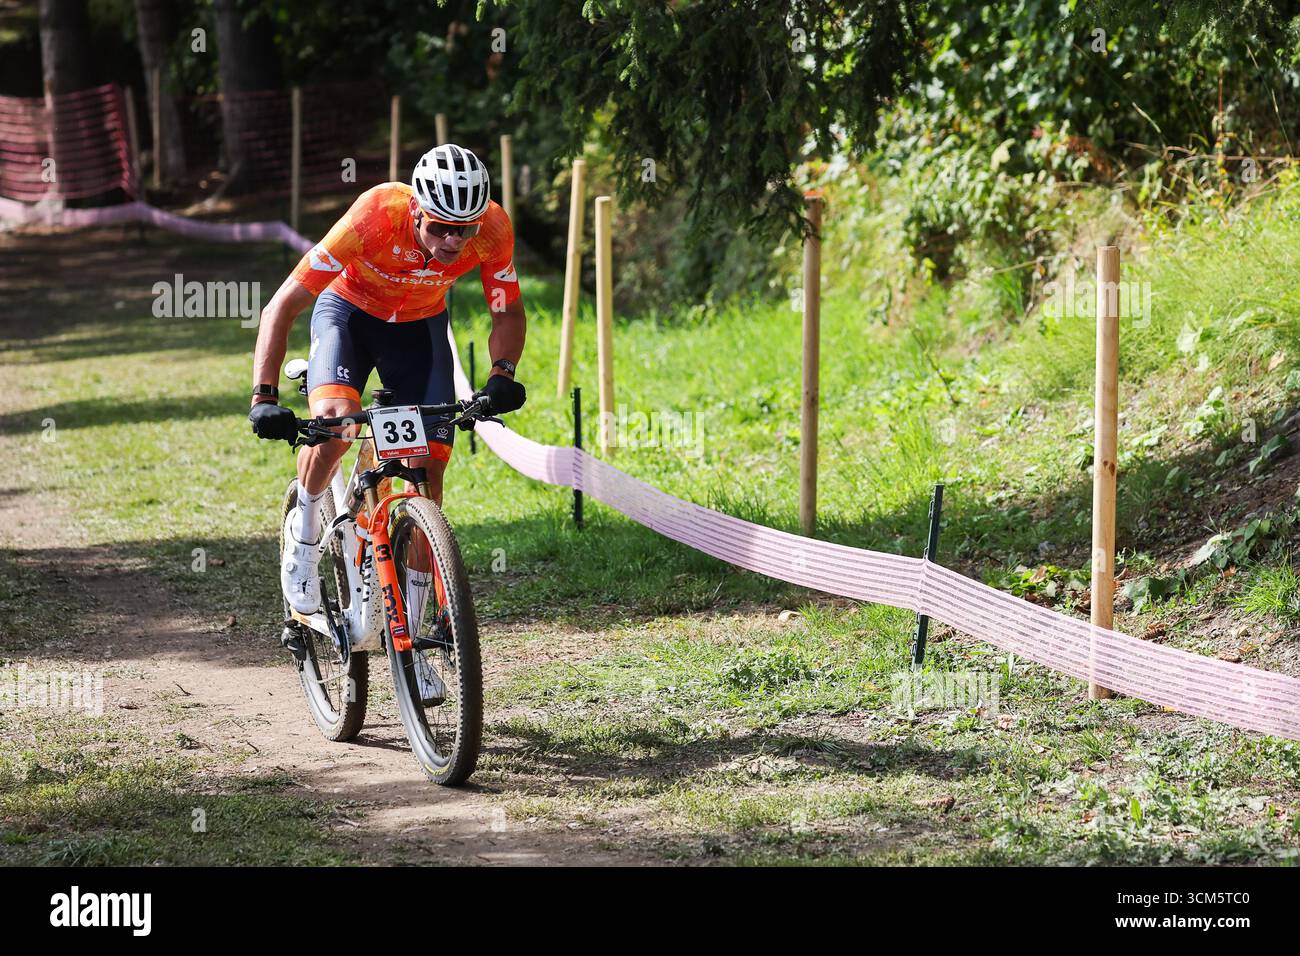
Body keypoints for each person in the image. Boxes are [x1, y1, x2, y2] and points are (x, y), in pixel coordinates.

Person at [246, 143, 526, 614]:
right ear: (416, 210)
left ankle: (418, 625)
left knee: (429, 469)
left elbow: (507, 310)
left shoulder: (493, 228)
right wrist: (263, 396)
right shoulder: (375, 214)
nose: (453, 243)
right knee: (337, 427)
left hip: (419, 328)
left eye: (464, 230)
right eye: (440, 228)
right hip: (348, 315)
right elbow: (282, 307)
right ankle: (306, 531)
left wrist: (503, 373)